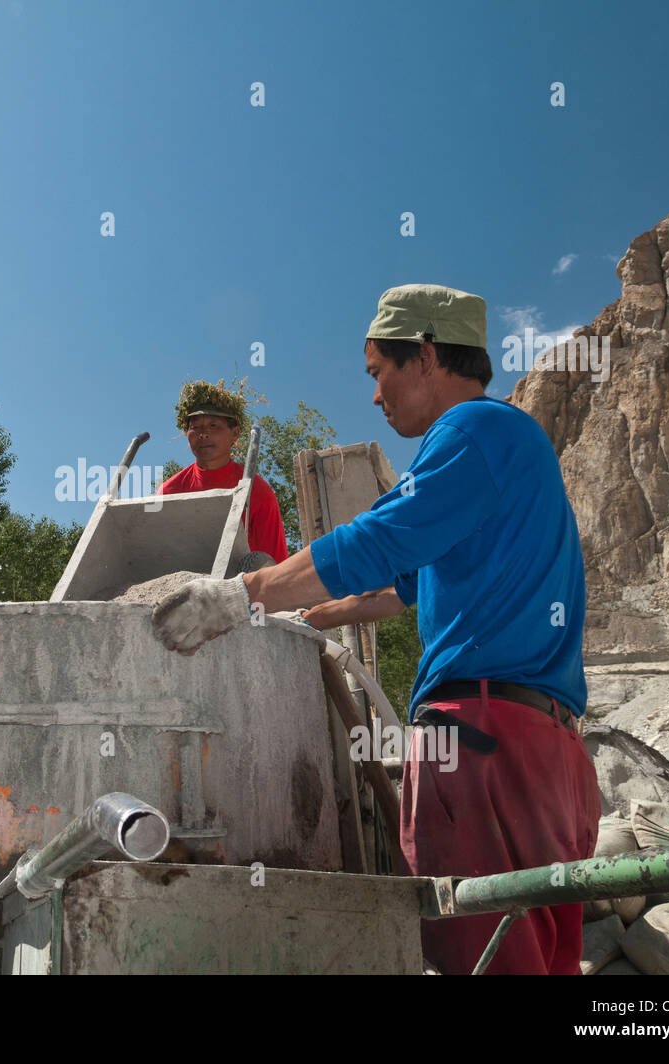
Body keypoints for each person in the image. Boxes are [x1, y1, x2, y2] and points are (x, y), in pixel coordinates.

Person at [151, 284, 600, 975]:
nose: (373, 395)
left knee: (471, 954)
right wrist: (310, 615)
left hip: (479, 741)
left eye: (377, 373)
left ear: (423, 355)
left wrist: (240, 596)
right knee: (539, 962)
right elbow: (402, 588)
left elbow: (377, 542)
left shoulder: (472, 431)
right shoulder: (513, 448)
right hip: (546, 751)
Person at [159, 383, 289, 565]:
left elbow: (275, 565)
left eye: (213, 425)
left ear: (234, 434)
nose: (203, 434)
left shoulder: (258, 493)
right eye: (195, 427)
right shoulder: (169, 492)